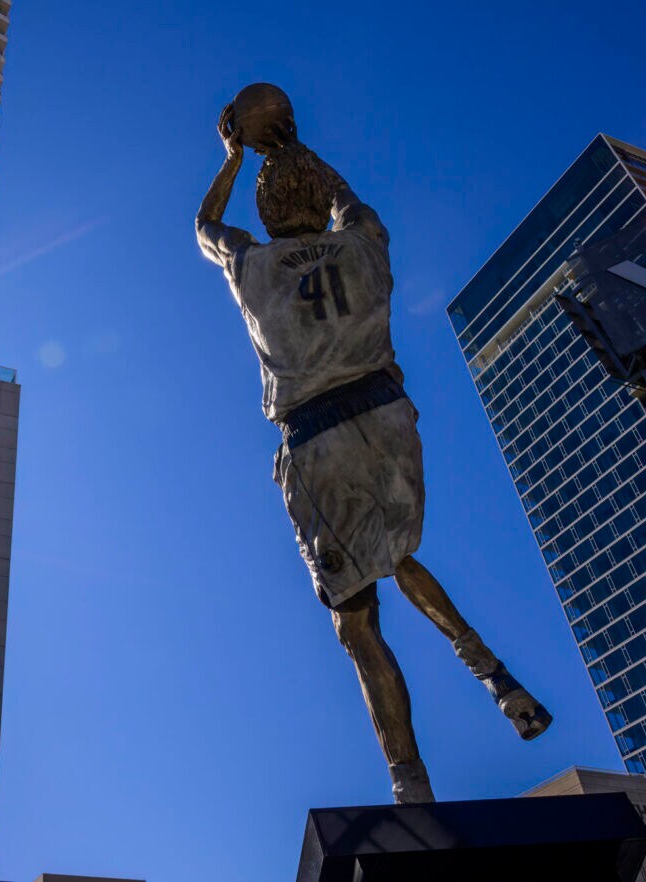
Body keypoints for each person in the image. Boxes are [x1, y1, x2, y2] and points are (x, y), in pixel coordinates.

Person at [195, 102, 551, 803]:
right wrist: (301, 154)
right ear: (318, 199)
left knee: (356, 619)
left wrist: (235, 158)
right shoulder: (363, 241)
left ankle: (410, 784)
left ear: (266, 214)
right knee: (397, 556)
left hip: (316, 434)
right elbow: (349, 199)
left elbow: (205, 226)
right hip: (387, 416)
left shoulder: (252, 263)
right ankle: (493, 675)